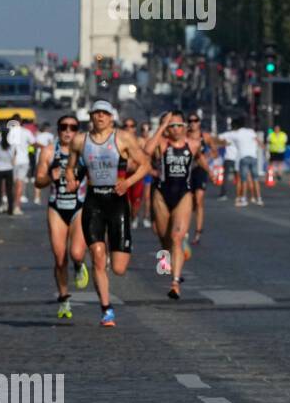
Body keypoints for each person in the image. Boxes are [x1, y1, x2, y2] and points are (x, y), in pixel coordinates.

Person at [65, 99, 149, 328]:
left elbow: (145, 164)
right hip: (94, 200)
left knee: (120, 268)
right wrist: (71, 180)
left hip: (118, 201)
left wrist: (128, 183)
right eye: (96, 113)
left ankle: (125, 258)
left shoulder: (123, 138)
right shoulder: (80, 140)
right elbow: (70, 167)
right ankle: (106, 309)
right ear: (91, 116)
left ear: (111, 117)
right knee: (98, 256)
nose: (100, 117)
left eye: (104, 113)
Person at [143, 110, 209, 300]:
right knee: (164, 237)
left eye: (180, 125)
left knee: (177, 237)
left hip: (183, 194)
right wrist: (161, 126)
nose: (176, 129)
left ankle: (175, 282)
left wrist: (210, 172)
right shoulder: (162, 145)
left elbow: (200, 159)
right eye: (172, 126)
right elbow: (147, 151)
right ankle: (165, 255)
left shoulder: (194, 144)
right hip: (162, 194)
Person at [34, 113, 88, 319]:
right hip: (57, 207)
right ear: (58, 130)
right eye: (63, 127)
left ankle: (79, 265)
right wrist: (50, 177)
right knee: (59, 258)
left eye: (72, 128)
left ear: (78, 131)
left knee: (75, 252)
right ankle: (64, 299)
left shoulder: (85, 151)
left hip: (79, 206)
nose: (67, 131)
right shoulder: (49, 152)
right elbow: (38, 181)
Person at [185, 113, 216, 244]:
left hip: (200, 169)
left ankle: (198, 232)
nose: (193, 123)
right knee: (189, 202)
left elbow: (214, 151)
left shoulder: (205, 136)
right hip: (187, 170)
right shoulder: (184, 136)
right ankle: (185, 229)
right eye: (190, 121)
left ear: (199, 122)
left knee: (198, 200)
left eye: (195, 120)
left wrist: (207, 159)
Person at [219, 117, 263, 207]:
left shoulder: (236, 134)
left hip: (242, 157)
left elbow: (220, 137)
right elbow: (258, 141)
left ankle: (242, 198)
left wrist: (221, 143)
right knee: (254, 179)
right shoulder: (251, 131)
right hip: (253, 157)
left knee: (242, 180)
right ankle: (258, 198)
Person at [5, 114, 30, 214]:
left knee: (10, 184)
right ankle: (17, 207)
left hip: (10, 161)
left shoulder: (7, 133)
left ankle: (8, 205)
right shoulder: (26, 132)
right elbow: (33, 142)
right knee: (19, 185)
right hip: (23, 160)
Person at [0, 118, 15, 216]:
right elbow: (13, 159)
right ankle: (10, 209)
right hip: (9, 168)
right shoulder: (12, 145)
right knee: (9, 190)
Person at [31, 121, 54, 204]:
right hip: (49, 159)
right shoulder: (50, 136)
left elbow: (34, 144)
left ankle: (37, 197)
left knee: (39, 177)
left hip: (39, 158)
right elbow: (52, 146)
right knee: (52, 177)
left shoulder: (38, 136)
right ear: (48, 129)